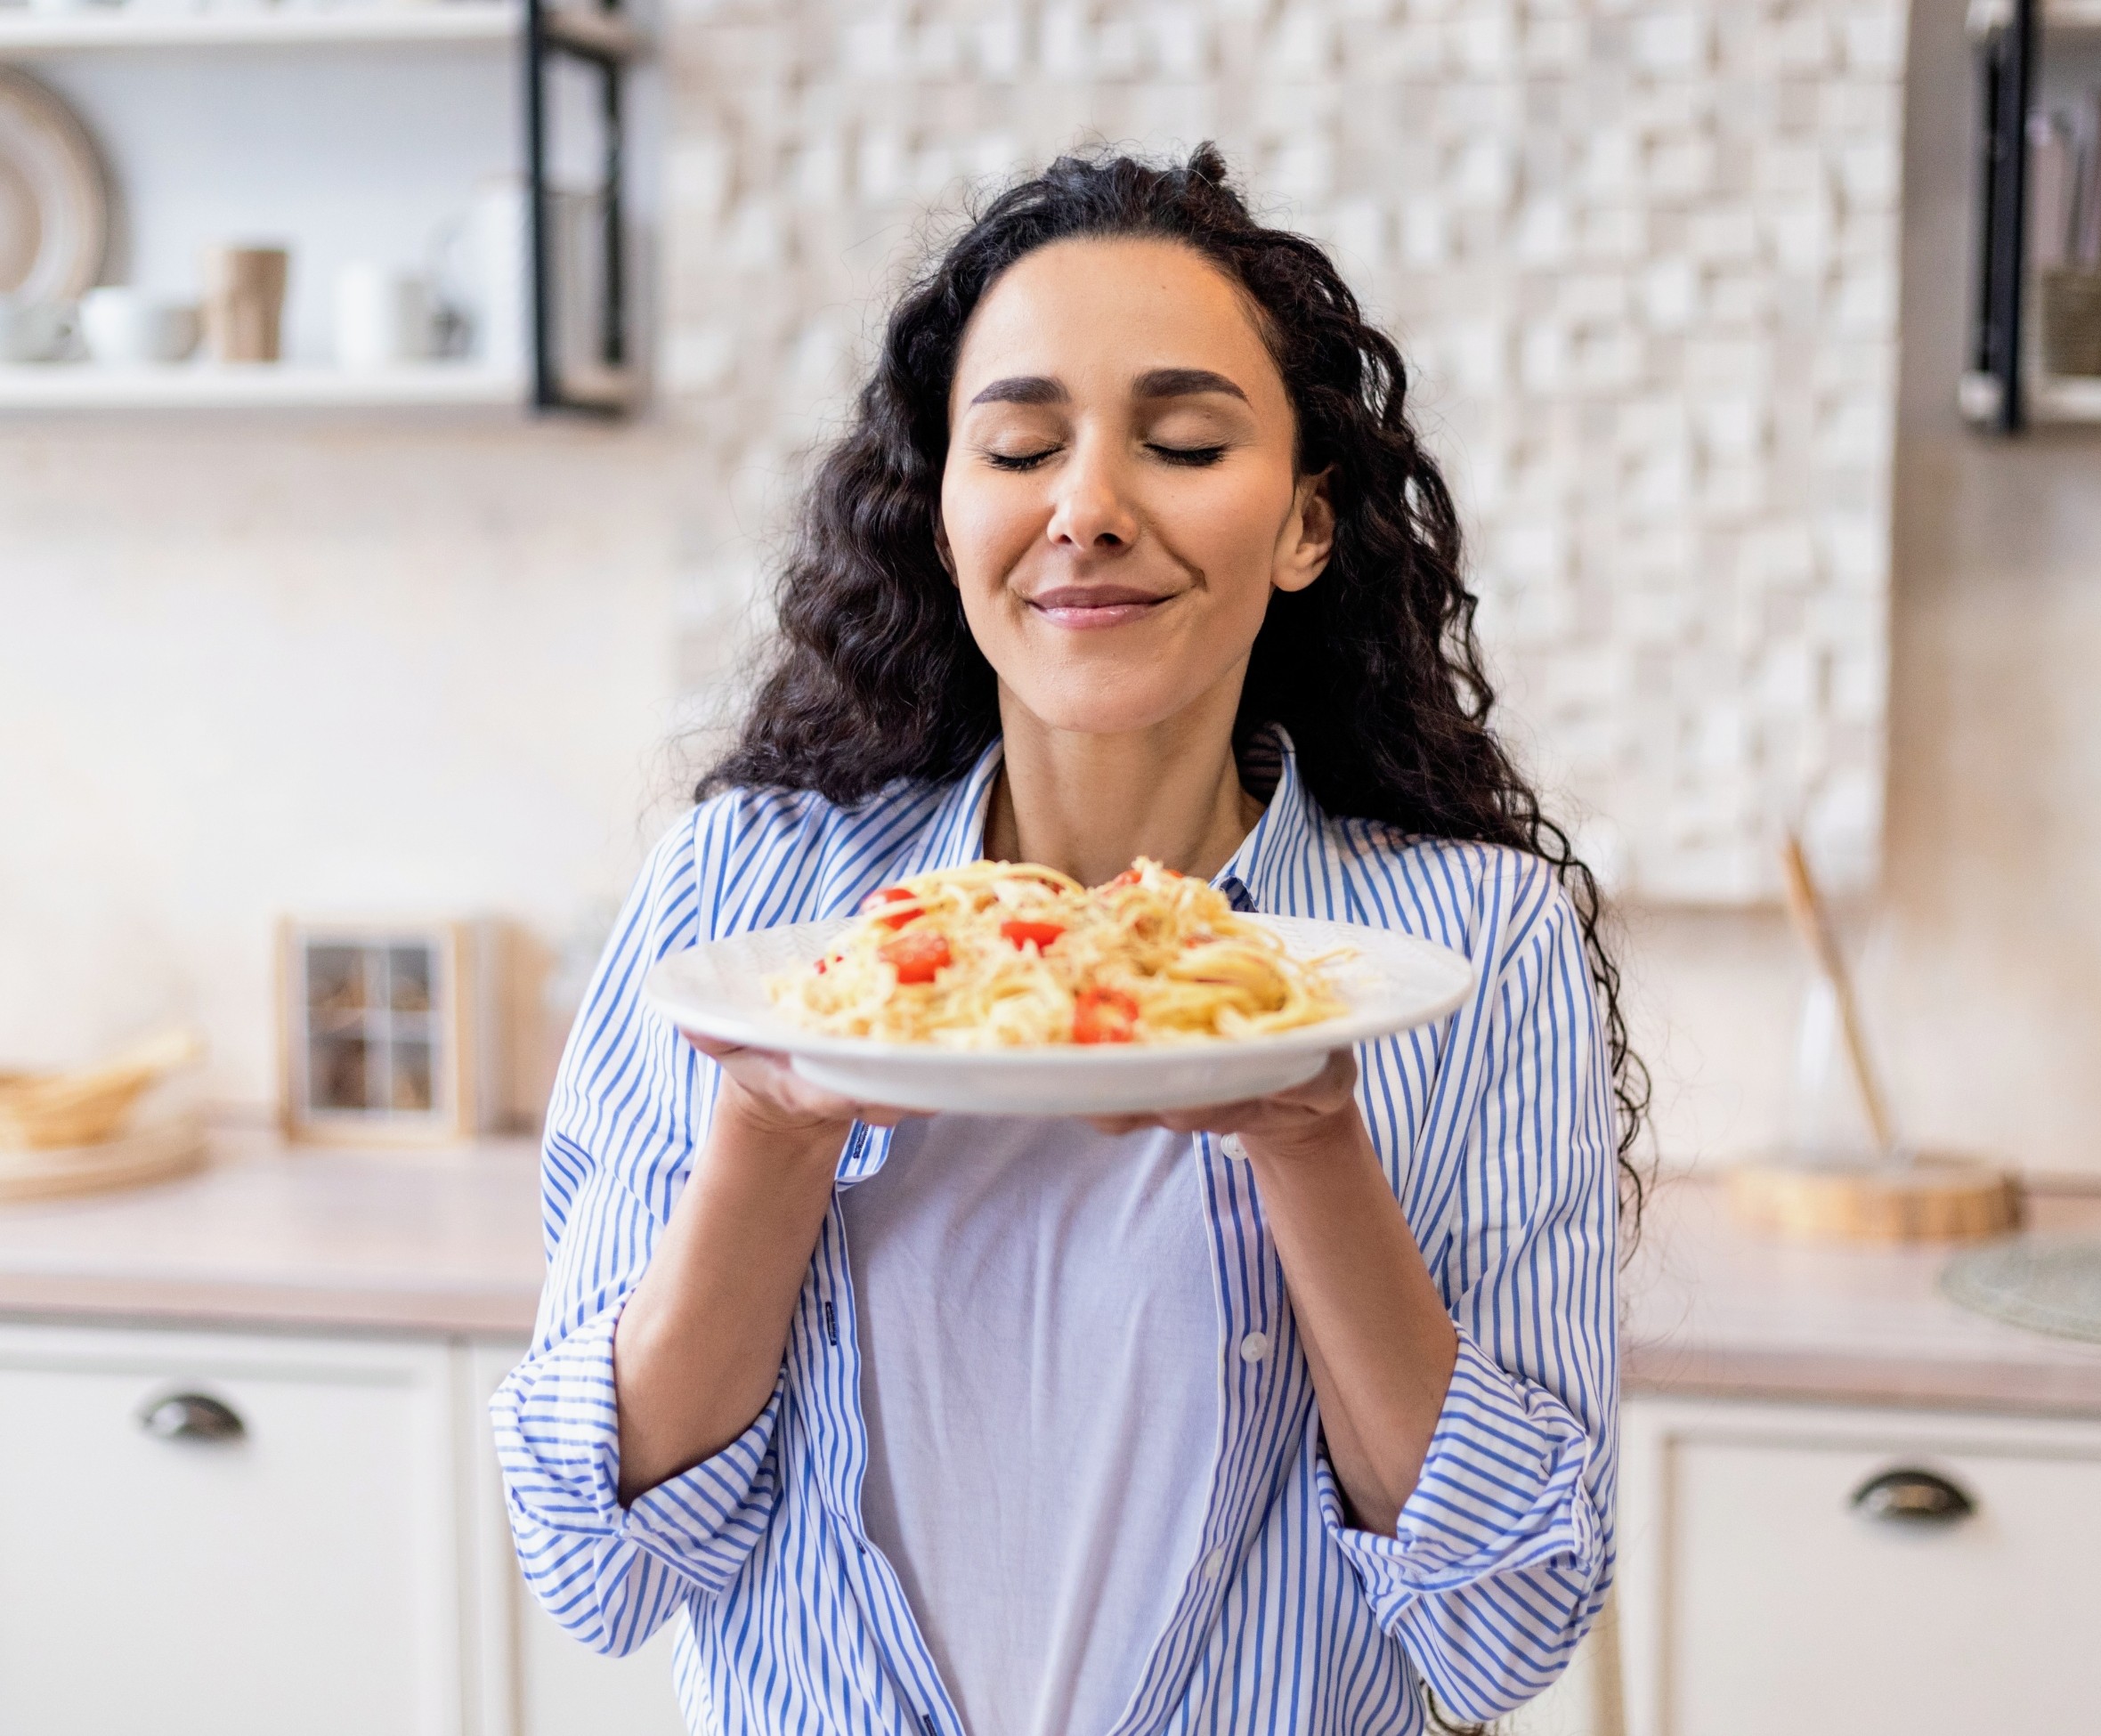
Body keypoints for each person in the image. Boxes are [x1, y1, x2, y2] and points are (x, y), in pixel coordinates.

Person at [491, 144, 1641, 1735]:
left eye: (1184, 444)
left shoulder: (1473, 943)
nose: (1087, 510)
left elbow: (1505, 1628)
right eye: (1021, 447)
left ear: (1307, 523)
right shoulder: (742, 895)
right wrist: (770, 1124)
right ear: (944, 517)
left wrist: (1312, 1136)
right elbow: (592, 1562)